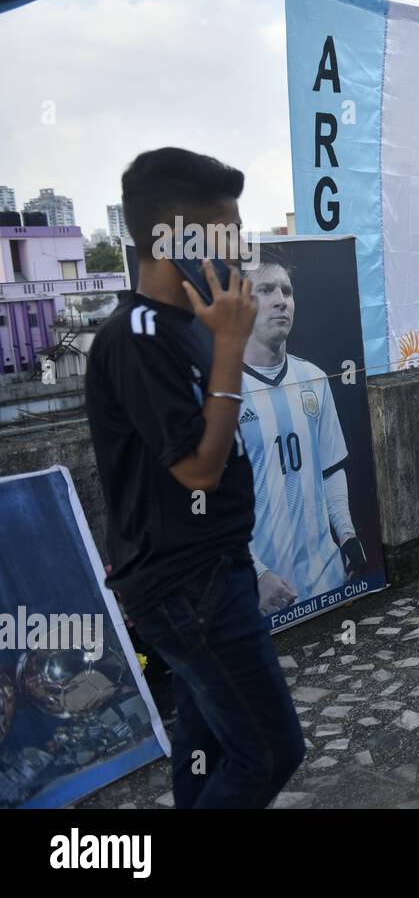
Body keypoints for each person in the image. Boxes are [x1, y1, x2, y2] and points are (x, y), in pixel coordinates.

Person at [85, 147, 304, 807]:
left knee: (206, 742)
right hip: (188, 584)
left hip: (214, 567)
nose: (239, 251)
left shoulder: (187, 325)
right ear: (171, 239)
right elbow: (200, 470)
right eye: (225, 234)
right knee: (269, 749)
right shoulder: (137, 335)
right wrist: (233, 352)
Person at [240, 259, 367, 607]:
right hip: (265, 590)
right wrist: (256, 572)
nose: (281, 300)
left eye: (287, 290)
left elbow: (330, 469)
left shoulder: (314, 377)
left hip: (327, 578)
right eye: (266, 290)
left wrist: (347, 534)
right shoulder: (218, 393)